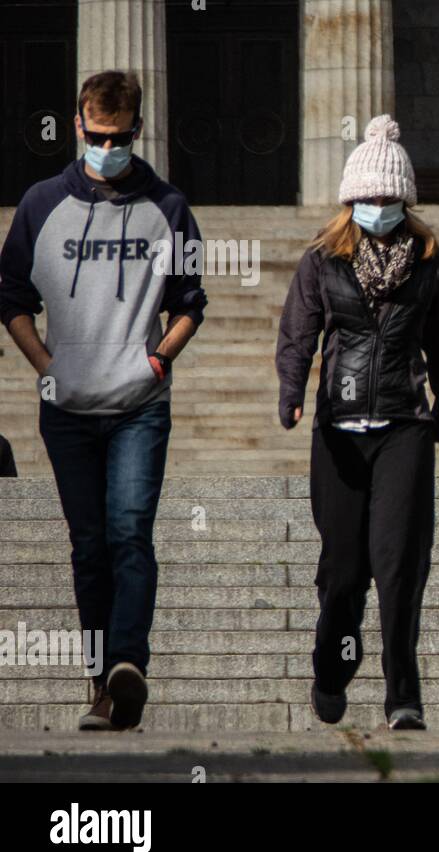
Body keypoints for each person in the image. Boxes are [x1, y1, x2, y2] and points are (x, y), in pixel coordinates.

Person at [0, 71, 207, 731]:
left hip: (138, 403)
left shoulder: (169, 207)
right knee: (88, 546)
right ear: (77, 124)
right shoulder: (39, 204)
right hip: (66, 406)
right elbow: (10, 297)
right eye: (97, 135)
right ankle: (101, 686)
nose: (108, 147)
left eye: (120, 138)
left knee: (128, 534)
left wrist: (158, 357)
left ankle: (127, 665)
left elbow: (189, 303)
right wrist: (44, 362)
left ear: (137, 131)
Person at [276, 114, 439, 731]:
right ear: (351, 199)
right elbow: (299, 332)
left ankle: (404, 695)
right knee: (344, 572)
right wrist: (291, 391)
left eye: (390, 197)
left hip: (404, 423)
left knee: (399, 564)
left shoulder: (431, 261)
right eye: (369, 197)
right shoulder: (323, 261)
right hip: (339, 431)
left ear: (404, 199)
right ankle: (331, 667)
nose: (379, 207)